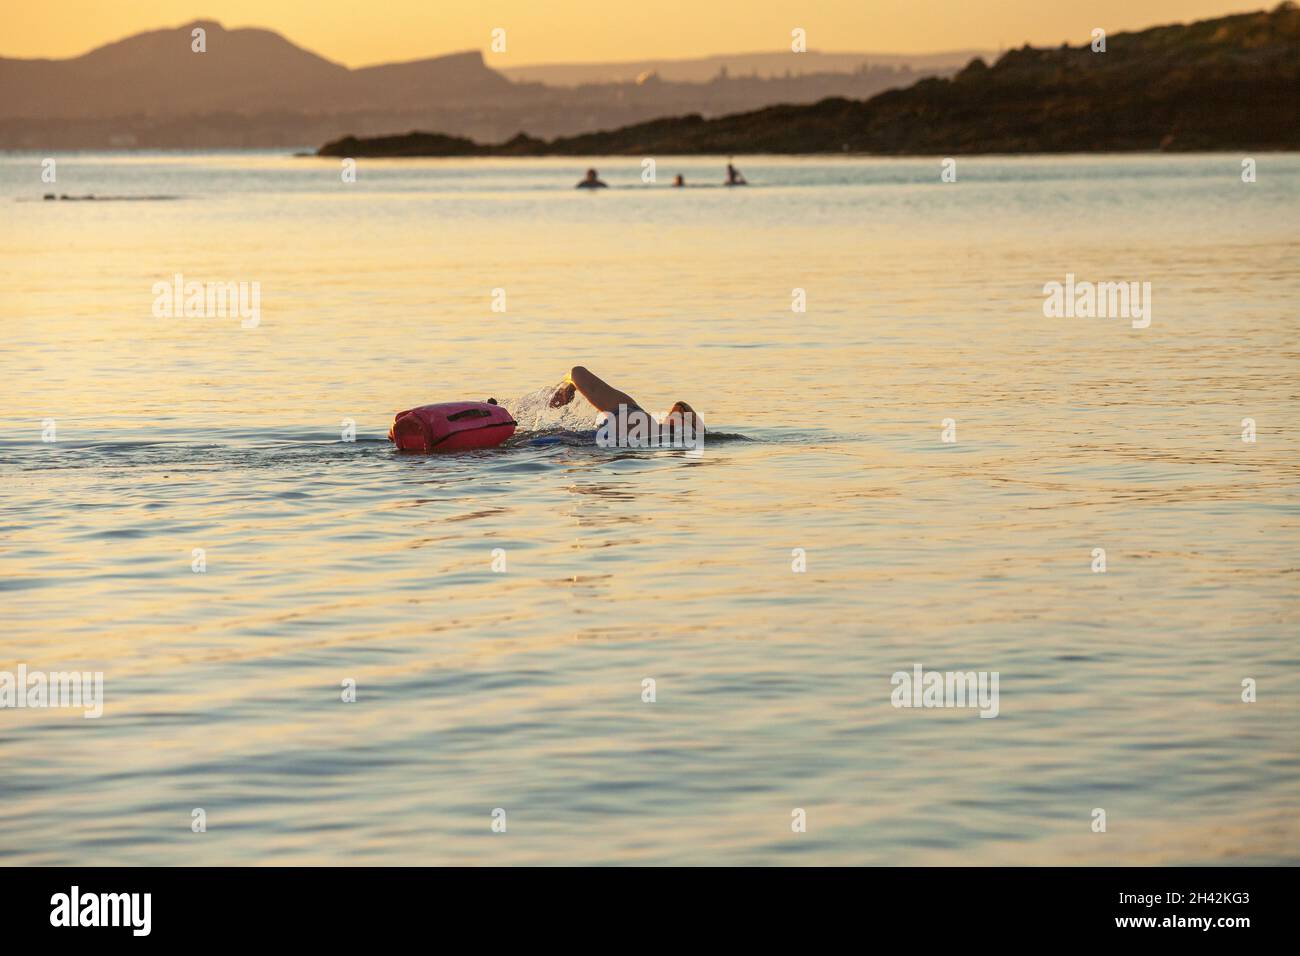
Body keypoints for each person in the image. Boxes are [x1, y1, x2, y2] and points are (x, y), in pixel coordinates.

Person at [549, 366, 703, 447]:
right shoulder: (647, 450)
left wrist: (568, 386)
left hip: (550, 444)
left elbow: (578, 372)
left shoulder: (637, 415)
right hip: (557, 447)